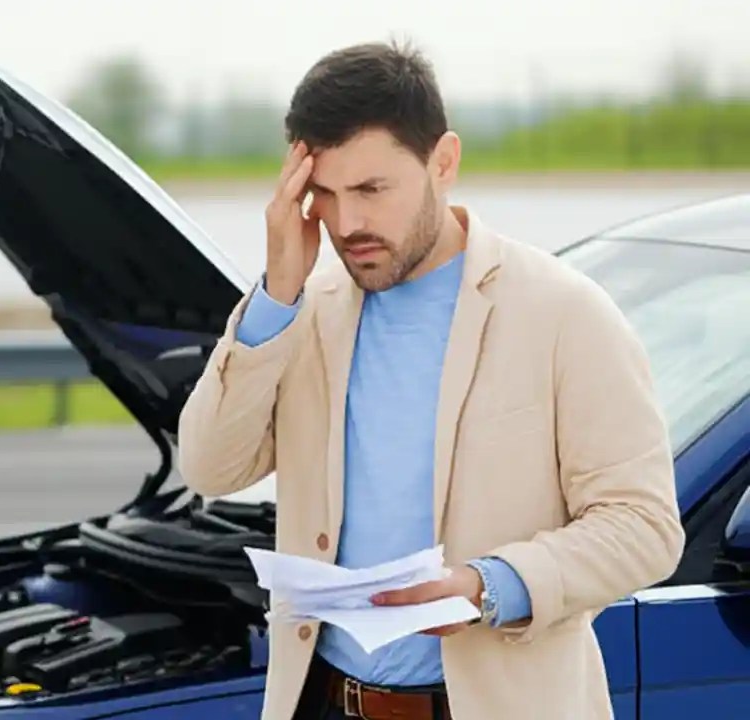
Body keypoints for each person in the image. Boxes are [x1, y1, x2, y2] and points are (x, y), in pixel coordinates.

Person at [177, 40, 684, 720]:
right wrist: (277, 292)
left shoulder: (564, 311)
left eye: (371, 189)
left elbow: (645, 525)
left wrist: (489, 585)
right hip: (322, 701)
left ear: (443, 162)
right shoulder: (306, 310)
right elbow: (210, 466)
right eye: (323, 195)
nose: (347, 223)